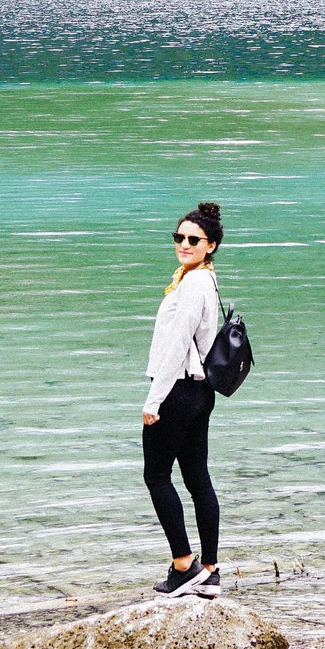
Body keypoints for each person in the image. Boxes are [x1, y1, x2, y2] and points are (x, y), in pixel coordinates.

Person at [143, 200, 224, 597]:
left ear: (210, 245)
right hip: (200, 391)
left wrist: (154, 400)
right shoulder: (204, 279)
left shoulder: (192, 283)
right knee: (196, 479)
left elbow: (177, 345)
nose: (184, 244)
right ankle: (209, 571)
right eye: (179, 237)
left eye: (194, 239)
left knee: (156, 475)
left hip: (177, 389)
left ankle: (183, 565)